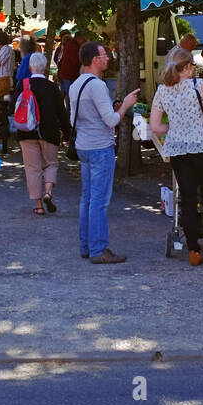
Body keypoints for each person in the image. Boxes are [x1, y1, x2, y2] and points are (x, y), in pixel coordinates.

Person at [149, 47, 203, 266]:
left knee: (187, 198)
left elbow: (155, 126)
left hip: (178, 150)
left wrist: (174, 129)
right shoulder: (200, 85)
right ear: (186, 67)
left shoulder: (162, 90)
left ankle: (193, 250)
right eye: (193, 65)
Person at [70, 41, 141, 264]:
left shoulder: (75, 85)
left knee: (87, 198)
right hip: (100, 146)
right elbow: (111, 120)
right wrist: (125, 105)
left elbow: (74, 118)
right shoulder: (98, 86)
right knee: (99, 201)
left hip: (84, 145)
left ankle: (86, 246)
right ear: (94, 60)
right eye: (104, 55)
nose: (108, 58)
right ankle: (98, 249)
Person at [8, 52, 68, 217]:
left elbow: (12, 107)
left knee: (32, 169)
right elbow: (62, 113)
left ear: (30, 67)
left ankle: (39, 205)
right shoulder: (52, 87)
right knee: (51, 164)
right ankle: (48, 192)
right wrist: (68, 134)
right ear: (45, 68)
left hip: (27, 132)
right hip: (49, 132)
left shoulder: (23, 84)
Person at [56, 30, 82, 112]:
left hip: (63, 74)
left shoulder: (64, 47)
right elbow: (75, 61)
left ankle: (60, 115)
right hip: (69, 76)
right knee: (70, 98)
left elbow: (58, 59)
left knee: (65, 96)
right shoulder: (73, 46)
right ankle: (67, 117)